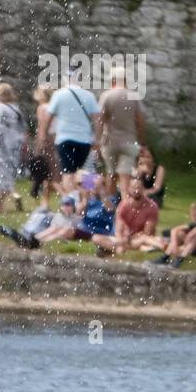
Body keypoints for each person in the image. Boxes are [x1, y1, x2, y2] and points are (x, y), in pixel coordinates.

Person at [37, 69, 99, 192]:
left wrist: (42, 136)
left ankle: (71, 201)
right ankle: (87, 202)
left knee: (68, 172)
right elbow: (97, 120)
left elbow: (48, 118)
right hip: (84, 139)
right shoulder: (89, 96)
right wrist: (97, 138)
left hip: (65, 139)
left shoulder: (59, 95)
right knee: (86, 171)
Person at [96, 66, 146, 198]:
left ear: (112, 80)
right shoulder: (134, 96)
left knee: (111, 174)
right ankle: (126, 204)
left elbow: (100, 120)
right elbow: (140, 121)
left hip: (110, 142)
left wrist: (97, 140)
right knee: (125, 176)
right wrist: (141, 141)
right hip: (129, 141)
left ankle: (110, 207)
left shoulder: (106, 96)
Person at [90, 177, 158, 255]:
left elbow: (147, 233)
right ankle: (116, 249)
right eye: (134, 188)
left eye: (139, 188)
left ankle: (111, 249)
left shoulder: (151, 206)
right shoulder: (123, 205)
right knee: (95, 238)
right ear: (129, 189)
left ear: (143, 189)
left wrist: (129, 238)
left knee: (142, 241)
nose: (136, 190)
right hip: (124, 240)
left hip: (140, 239)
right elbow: (118, 230)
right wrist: (122, 240)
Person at [0, 193, 78, 248]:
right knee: (42, 212)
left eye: (68, 204)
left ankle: (26, 238)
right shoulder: (56, 215)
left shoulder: (72, 219)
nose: (65, 207)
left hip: (40, 237)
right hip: (38, 231)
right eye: (63, 204)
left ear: (73, 207)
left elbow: (62, 232)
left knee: (52, 223)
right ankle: (23, 235)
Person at [28, 85, 61, 202]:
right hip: (59, 137)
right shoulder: (55, 106)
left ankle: (63, 192)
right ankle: (45, 199)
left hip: (48, 138)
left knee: (51, 168)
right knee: (52, 167)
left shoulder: (42, 108)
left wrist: (38, 147)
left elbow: (42, 128)